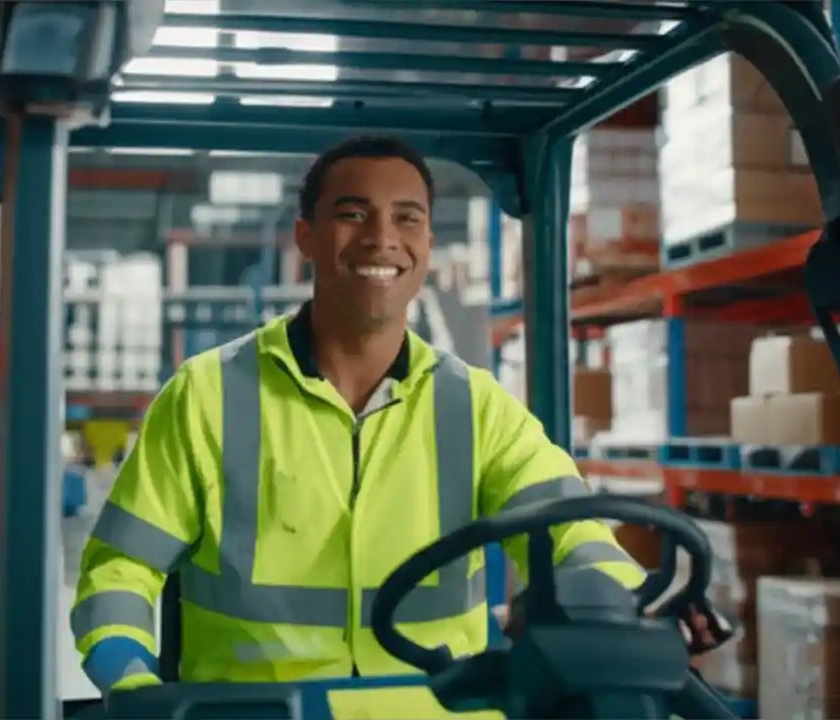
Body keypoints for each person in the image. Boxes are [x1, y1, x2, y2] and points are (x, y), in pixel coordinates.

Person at [70, 135, 705, 698]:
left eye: (407, 218)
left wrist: (632, 606)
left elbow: (572, 533)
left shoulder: (476, 407)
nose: (382, 237)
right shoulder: (207, 395)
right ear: (306, 237)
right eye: (353, 214)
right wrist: (132, 686)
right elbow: (120, 571)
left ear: (427, 242)